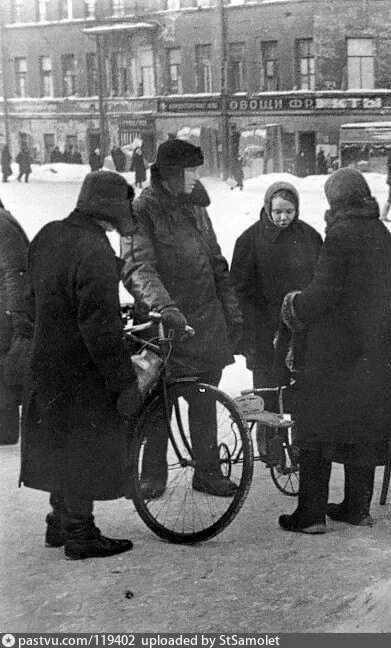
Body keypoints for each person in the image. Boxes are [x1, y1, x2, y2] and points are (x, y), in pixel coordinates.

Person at [19, 170, 141, 560]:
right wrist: (124, 383)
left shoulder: (49, 234)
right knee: (83, 448)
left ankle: (58, 524)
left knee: (58, 442)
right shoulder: (95, 249)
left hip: (46, 363)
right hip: (81, 371)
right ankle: (81, 534)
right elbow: (100, 326)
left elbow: (32, 299)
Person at [121, 139, 243, 499]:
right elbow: (138, 266)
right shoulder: (143, 209)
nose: (196, 178)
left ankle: (207, 471)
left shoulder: (195, 208)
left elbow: (217, 263)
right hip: (166, 326)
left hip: (205, 324)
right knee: (159, 403)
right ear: (172, 174)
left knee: (204, 399)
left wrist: (232, 314)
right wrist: (165, 308)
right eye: (191, 171)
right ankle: (152, 476)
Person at [278, 169, 391, 533]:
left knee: (316, 428)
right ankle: (356, 508)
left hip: (334, 351)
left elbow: (323, 293)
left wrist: (294, 305)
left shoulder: (341, 235)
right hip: (372, 349)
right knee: (361, 427)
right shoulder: (382, 233)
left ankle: (310, 514)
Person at [231, 181, 322, 462]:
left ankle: (301, 447)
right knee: (268, 388)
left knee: (299, 389)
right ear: (267, 207)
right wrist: (247, 332)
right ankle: (270, 448)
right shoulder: (250, 240)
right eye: (278, 211)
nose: (284, 217)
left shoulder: (309, 237)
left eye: (290, 211)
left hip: (300, 327)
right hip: (263, 329)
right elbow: (240, 289)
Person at [0, 199, 30, 444]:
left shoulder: (1, 224)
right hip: (7, 307)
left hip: (5, 309)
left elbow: (16, 271)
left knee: (3, 370)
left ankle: (6, 431)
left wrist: (17, 313)